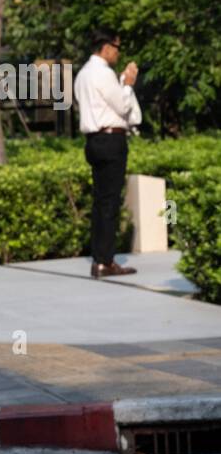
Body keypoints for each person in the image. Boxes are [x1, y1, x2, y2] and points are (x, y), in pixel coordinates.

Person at [74, 30, 142, 279]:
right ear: (105, 48)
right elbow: (122, 105)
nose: (118, 52)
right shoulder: (103, 74)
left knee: (101, 201)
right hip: (111, 139)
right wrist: (127, 84)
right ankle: (105, 261)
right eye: (116, 47)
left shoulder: (82, 74)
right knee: (110, 203)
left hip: (93, 141)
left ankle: (100, 258)